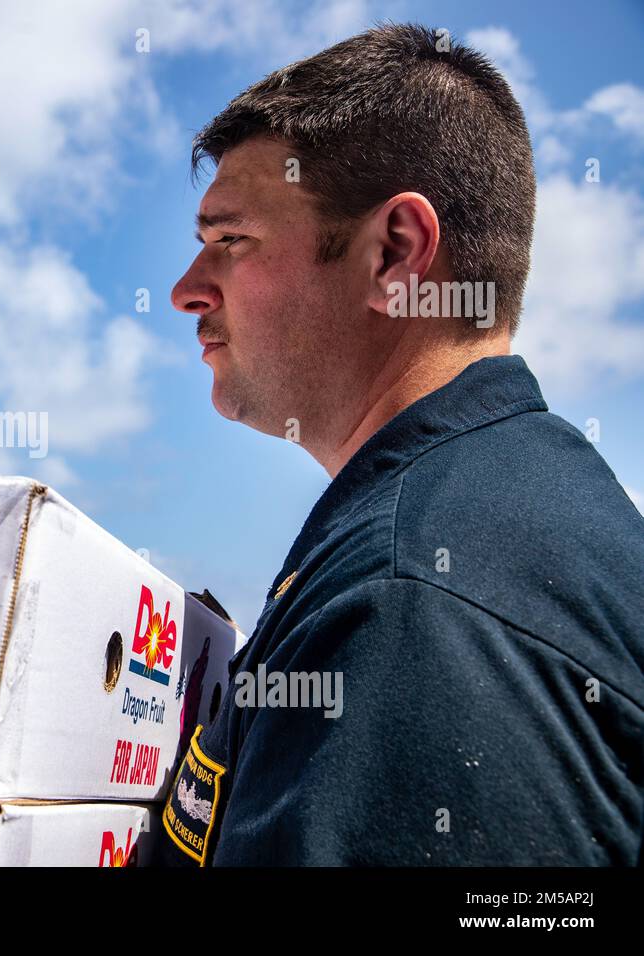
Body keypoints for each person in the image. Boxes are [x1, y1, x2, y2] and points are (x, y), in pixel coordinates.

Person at [158, 22, 644, 865]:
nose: (185, 291)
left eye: (228, 240)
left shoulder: (413, 606)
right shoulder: (477, 519)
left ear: (395, 254)